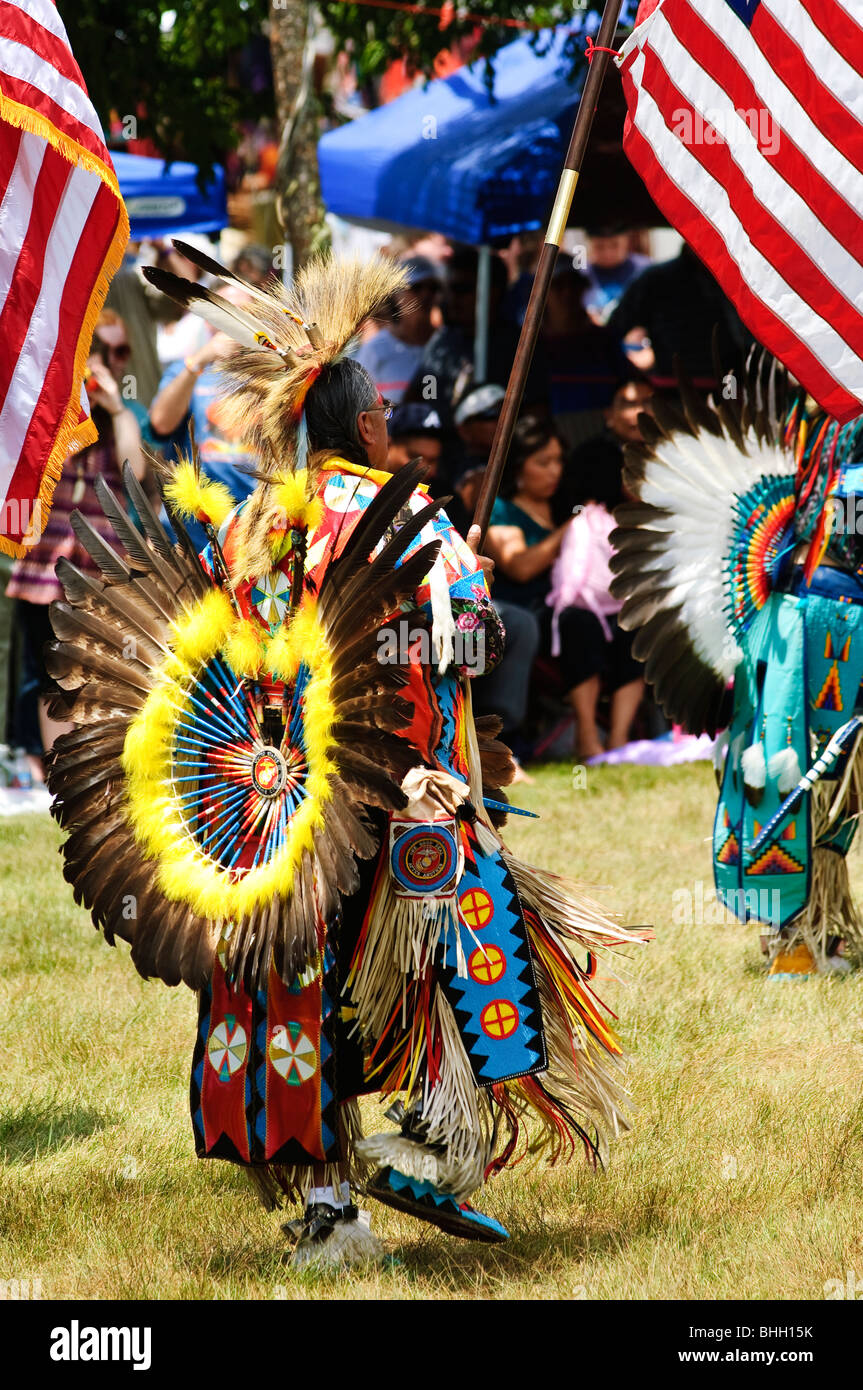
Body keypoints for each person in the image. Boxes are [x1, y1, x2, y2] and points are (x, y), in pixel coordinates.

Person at [46, 253, 648, 1271]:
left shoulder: (252, 523)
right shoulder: (405, 516)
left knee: (302, 1001)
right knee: (473, 971)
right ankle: (431, 1150)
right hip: (399, 805)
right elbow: (472, 645)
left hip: (277, 824)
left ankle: (330, 1209)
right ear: (368, 426)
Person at [610, 357, 863, 978]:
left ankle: (821, 929)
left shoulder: (832, 425)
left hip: (816, 623)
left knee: (834, 781)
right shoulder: (821, 428)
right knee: (806, 774)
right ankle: (796, 939)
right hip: (812, 631)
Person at [6, 312, 147, 781]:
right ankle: (56, 777)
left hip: (99, 574)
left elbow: (136, 473)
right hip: (47, 569)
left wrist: (118, 407)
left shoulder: (123, 418)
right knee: (50, 675)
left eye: (118, 352)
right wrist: (74, 401)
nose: (111, 362)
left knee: (97, 674)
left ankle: (94, 772)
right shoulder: (54, 411)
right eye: (102, 351)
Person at [148, 285, 259, 551]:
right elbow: (160, 424)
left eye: (241, 314)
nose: (231, 323)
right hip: (194, 530)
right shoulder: (186, 369)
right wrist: (200, 360)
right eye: (221, 313)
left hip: (254, 525)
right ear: (208, 321)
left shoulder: (273, 374)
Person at [608, 242, 749, 394]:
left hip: (734, 389)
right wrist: (636, 367)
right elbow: (613, 331)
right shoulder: (655, 279)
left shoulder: (743, 277)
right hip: (671, 390)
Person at [354, 256, 441, 403]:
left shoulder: (444, 345)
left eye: (433, 288)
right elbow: (357, 404)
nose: (426, 295)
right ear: (396, 294)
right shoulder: (376, 349)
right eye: (416, 288)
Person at [582, 224, 651, 325]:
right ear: (590, 243)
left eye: (615, 245)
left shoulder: (645, 270)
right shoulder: (580, 275)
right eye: (600, 247)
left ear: (626, 241)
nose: (607, 253)